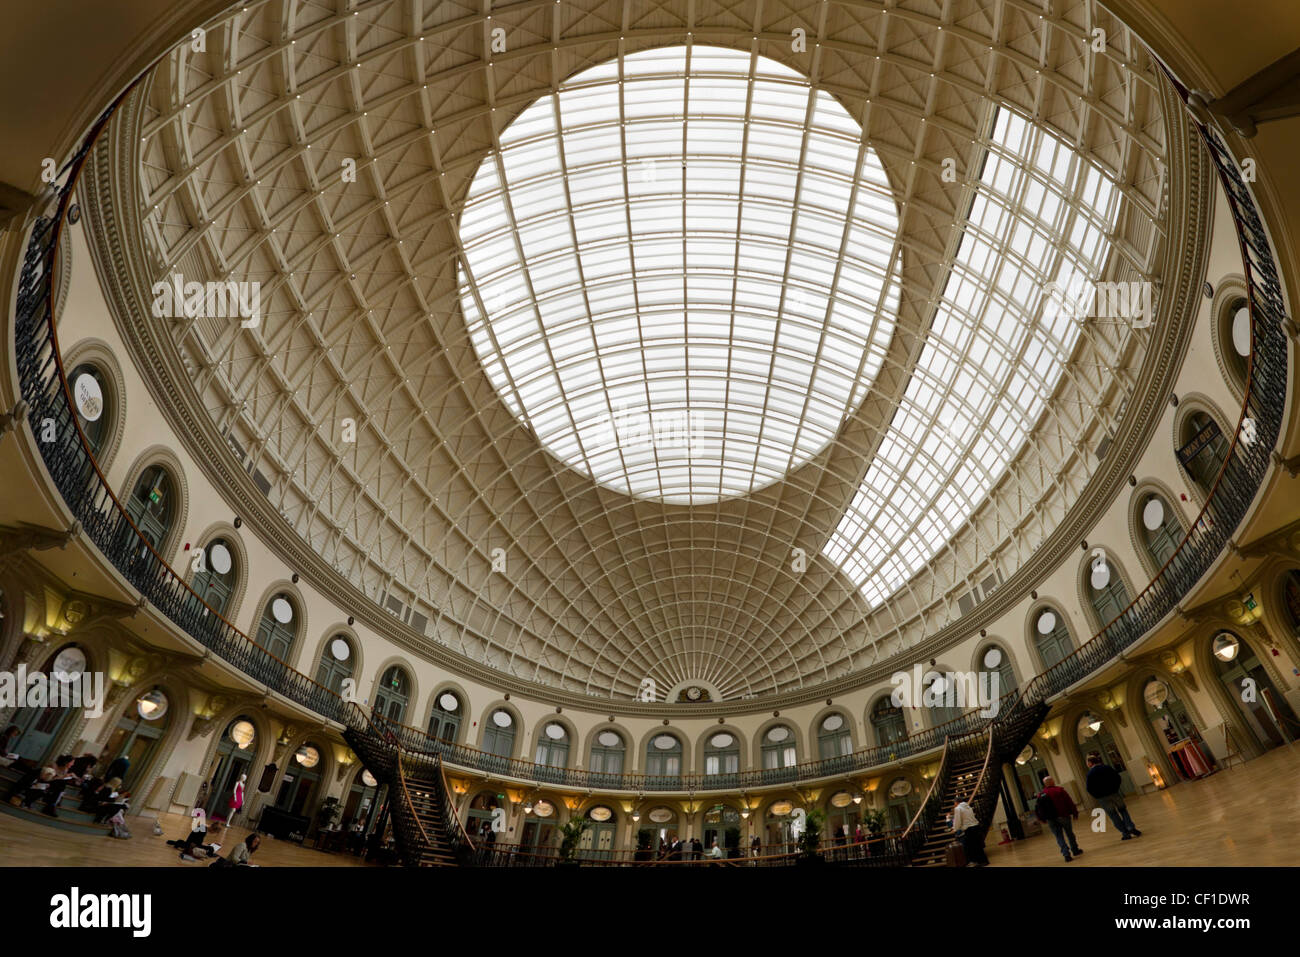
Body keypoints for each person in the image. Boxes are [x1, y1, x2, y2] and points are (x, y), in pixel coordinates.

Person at [1085, 753, 1142, 840]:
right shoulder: (1107, 768)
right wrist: (1115, 788)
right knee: (1123, 810)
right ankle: (1130, 827)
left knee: (1113, 815)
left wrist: (1097, 796)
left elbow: (1089, 788)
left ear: (1090, 763)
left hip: (1102, 798)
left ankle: (1125, 833)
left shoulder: (1090, 774)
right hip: (1114, 793)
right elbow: (1117, 778)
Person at [1035, 776, 1084, 862]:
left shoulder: (1041, 794)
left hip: (1051, 819)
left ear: (1045, 784)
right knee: (1069, 834)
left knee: (1059, 837)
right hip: (1063, 815)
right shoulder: (1059, 790)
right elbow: (1069, 802)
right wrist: (1075, 812)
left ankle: (1066, 854)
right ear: (1053, 782)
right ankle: (1075, 850)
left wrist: (1041, 819)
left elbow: (1038, 808)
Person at [951, 798, 988, 866]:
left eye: (954, 803)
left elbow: (958, 820)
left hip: (969, 829)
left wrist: (955, 829)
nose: (954, 805)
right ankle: (983, 861)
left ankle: (975, 862)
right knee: (977, 845)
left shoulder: (958, 809)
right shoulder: (968, 806)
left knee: (971, 846)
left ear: (957, 802)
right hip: (976, 826)